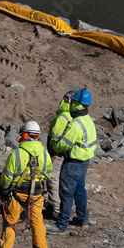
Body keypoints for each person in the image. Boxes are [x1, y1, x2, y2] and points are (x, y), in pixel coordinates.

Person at [0, 120, 52, 248]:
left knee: (10, 223)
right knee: (37, 222)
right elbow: (47, 175)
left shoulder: (16, 154)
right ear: (37, 136)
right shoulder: (45, 155)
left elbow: (7, 177)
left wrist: (2, 190)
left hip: (16, 194)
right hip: (36, 195)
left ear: (25, 134)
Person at [48, 88, 97, 234]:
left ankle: (61, 225)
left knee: (66, 192)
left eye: (74, 102)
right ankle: (82, 218)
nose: (71, 104)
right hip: (84, 161)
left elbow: (63, 144)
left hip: (73, 162)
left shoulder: (75, 124)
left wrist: (53, 147)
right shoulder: (88, 121)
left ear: (79, 105)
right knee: (79, 190)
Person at [46, 90, 74, 219]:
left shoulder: (62, 118)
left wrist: (53, 151)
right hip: (70, 155)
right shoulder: (74, 117)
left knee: (53, 179)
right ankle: (64, 207)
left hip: (58, 154)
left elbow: (54, 139)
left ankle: (56, 209)